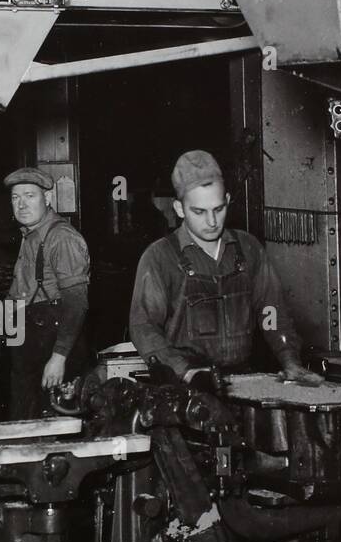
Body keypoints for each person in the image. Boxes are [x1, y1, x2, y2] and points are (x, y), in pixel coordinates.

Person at [128, 150, 322, 385]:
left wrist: (289, 360)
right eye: (199, 212)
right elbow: (144, 327)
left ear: (228, 200)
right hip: (186, 384)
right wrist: (187, 372)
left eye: (218, 209)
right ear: (179, 209)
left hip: (242, 380)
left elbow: (272, 311)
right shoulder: (159, 257)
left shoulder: (249, 248)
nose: (212, 222)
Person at [3, 167, 90, 419]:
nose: (21, 204)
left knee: (55, 426)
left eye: (30, 196)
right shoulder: (29, 237)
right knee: (26, 422)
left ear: (48, 199)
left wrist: (58, 358)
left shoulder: (61, 238)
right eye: (15, 198)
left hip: (53, 350)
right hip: (30, 346)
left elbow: (76, 304)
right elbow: (19, 296)